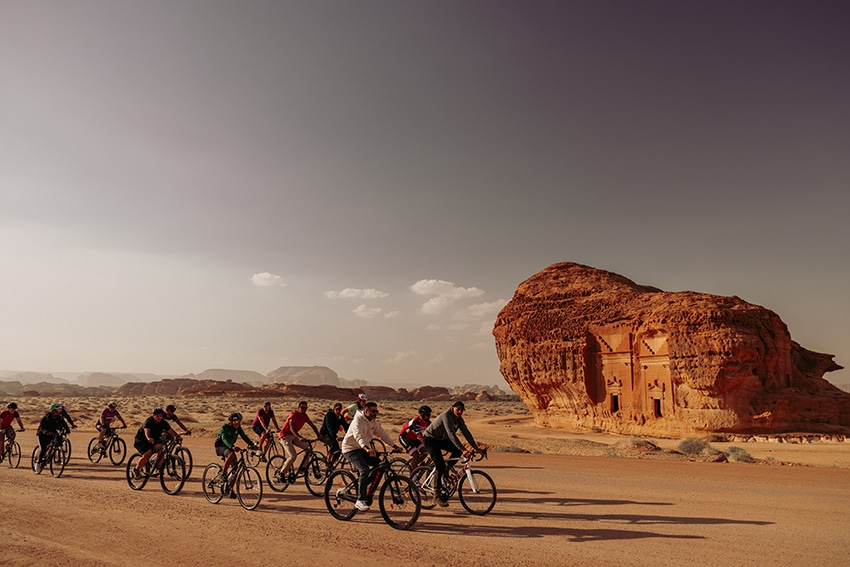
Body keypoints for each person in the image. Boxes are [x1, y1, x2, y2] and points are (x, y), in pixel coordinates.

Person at [341, 401, 402, 512]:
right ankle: (360, 500)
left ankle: (363, 486)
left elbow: (383, 434)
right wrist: (367, 448)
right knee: (364, 469)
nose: (375, 413)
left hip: (363, 449)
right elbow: (358, 436)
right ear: (366, 411)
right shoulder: (358, 420)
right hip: (350, 449)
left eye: (376, 411)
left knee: (380, 466)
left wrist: (394, 446)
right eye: (373, 411)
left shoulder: (373, 422)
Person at [423, 401, 481, 507]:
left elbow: (466, 433)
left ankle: (447, 470)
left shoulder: (458, 419)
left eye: (461, 410)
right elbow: (451, 434)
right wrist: (463, 449)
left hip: (441, 439)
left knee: (457, 451)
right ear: (452, 407)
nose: (459, 411)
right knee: (439, 465)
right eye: (458, 409)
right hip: (430, 439)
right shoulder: (446, 416)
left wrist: (476, 448)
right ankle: (436, 496)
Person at [130, 407, 180, 479]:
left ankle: (158, 467)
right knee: (147, 455)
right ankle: (136, 470)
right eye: (157, 416)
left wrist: (178, 437)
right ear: (153, 416)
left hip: (154, 440)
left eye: (160, 416)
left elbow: (170, 430)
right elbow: (146, 430)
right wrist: (148, 438)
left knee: (163, 449)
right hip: (142, 440)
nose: (159, 418)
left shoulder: (163, 422)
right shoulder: (149, 421)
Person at [278, 400, 320, 479]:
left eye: (305, 407)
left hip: (294, 436)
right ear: (298, 408)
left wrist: (319, 435)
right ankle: (282, 472)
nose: (304, 409)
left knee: (308, 449)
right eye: (302, 407)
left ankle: (303, 468)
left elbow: (312, 425)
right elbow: (292, 427)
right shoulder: (294, 414)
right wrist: (299, 437)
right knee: (293, 456)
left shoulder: (305, 416)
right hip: (285, 436)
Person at [214, 412, 256, 483]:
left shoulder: (238, 428)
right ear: (231, 421)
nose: (238, 423)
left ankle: (230, 490)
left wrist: (251, 444)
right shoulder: (225, 427)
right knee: (231, 455)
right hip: (220, 446)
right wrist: (232, 446)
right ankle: (223, 474)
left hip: (230, 447)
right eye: (236, 421)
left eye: (239, 421)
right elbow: (224, 439)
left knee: (235, 470)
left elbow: (244, 436)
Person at [35, 403, 70, 474]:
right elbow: (42, 427)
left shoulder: (59, 417)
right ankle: (38, 464)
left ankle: (54, 453)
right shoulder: (46, 417)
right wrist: (46, 432)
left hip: (53, 433)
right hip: (42, 434)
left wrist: (67, 430)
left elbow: (64, 424)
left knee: (57, 442)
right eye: (58, 410)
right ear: (53, 411)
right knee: (43, 448)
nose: (60, 411)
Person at [398, 405, 432, 470]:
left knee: (425, 452)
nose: (429, 417)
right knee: (415, 454)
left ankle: (414, 465)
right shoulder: (416, 421)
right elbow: (419, 436)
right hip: (405, 438)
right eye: (427, 415)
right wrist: (427, 445)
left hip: (414, 439)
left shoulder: (428, 422)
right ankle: (413, 477)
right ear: (422, 415)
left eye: (430, 415)